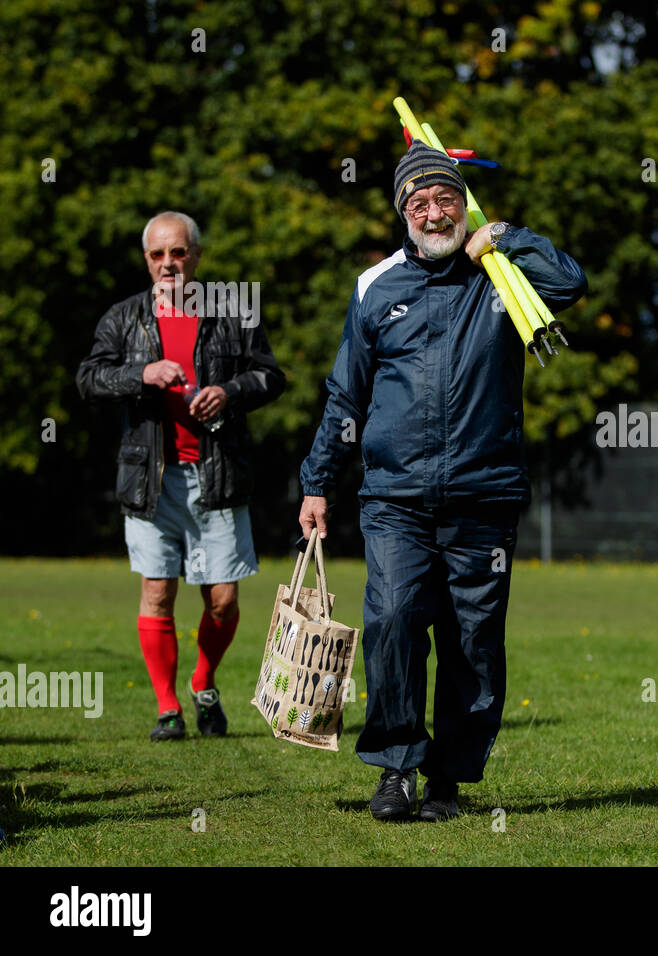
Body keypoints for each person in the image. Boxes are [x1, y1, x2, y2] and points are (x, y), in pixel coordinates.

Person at [297, 142, 586, 822]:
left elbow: (570, 285)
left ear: (463, 204)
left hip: (485, 496)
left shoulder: (503, 275)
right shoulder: (376, 287)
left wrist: (508, 237)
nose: (433, 212)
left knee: (471, 642)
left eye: (445, 199)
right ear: (403, 213)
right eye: (418, 202)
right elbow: (346, 397)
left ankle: (448, 780)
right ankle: (395, 769)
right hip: (394, 498)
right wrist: (317, 483)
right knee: (393, 620)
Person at [77, 211, 285, 741]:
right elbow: (89, 379)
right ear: (146, 260)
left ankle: (202, 681)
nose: (169, 263)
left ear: (196, 255)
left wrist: (231, 392)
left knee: (223, 601)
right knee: (157, 593)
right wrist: (140, 374)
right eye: (157, 254)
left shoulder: (232, 310)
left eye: (179, 252)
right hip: (150, 479)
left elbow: (270, 376)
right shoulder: (123, 318)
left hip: (217, 474)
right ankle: (167, 709)